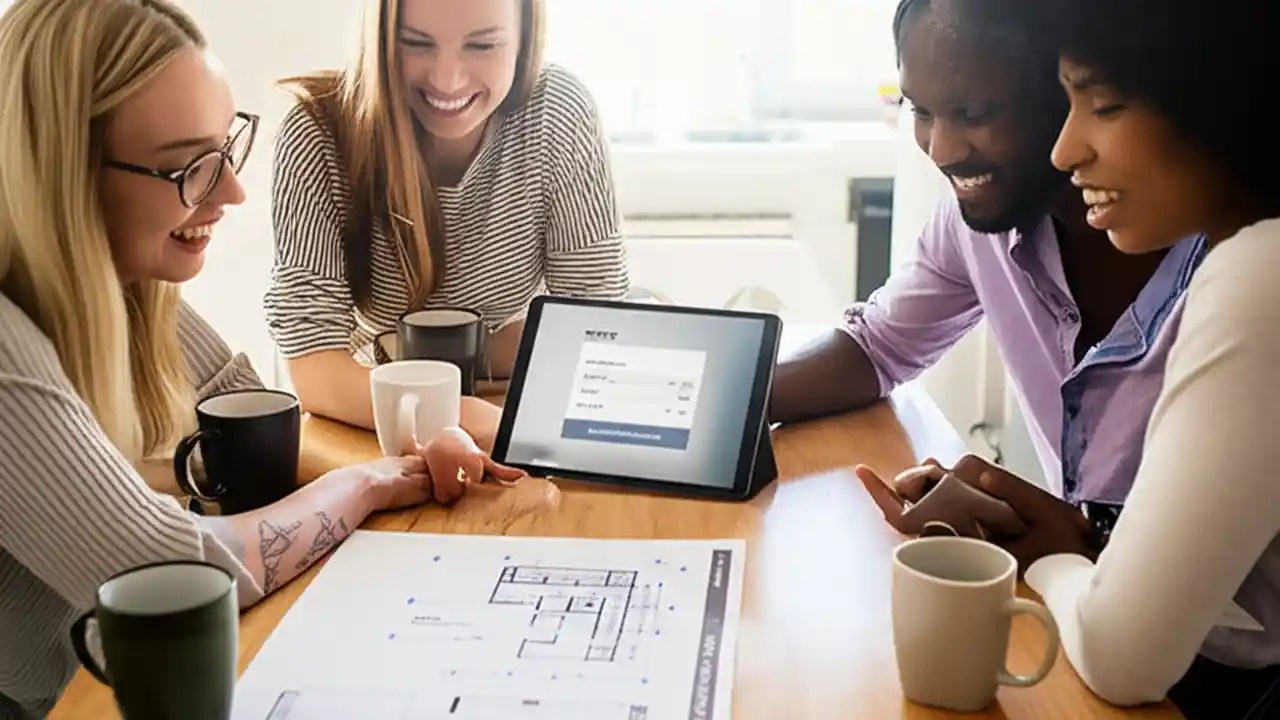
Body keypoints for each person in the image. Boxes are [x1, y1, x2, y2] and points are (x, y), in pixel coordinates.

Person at [0, 1, 532, 715]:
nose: (232, 191)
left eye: (226, 149)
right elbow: (182, 570)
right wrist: (369, 485)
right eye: (187, 167)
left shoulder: (121, 293)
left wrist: (405, 464)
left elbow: (257, 432)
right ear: (60, 171)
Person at [949, 2, 1279, 717]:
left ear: (1220, 93)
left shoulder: (1262, 271)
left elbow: (1121, 656)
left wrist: (1055, 556)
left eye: (1105, 105)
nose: (1065, 151)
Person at [780, 0, 1202, 537]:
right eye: (921, 112)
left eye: (975, 115)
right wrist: (718, 412)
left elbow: (1213, 577)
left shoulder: (1233, 268)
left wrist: (1070, 541)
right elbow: (879, 343)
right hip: (1090, 601)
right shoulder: (983, 218)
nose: (941, 150)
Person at [265, 0, 630, 447]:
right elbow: (313, 364)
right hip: (377, 419)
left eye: (483, 45)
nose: (448, 80)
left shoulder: (557, 112)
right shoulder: (318, 132)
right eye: (416, 44)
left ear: (525, 38)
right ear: (379, 39)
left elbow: (597, 330)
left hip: (494, 401)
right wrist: (451, 409)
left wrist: (416, 360)